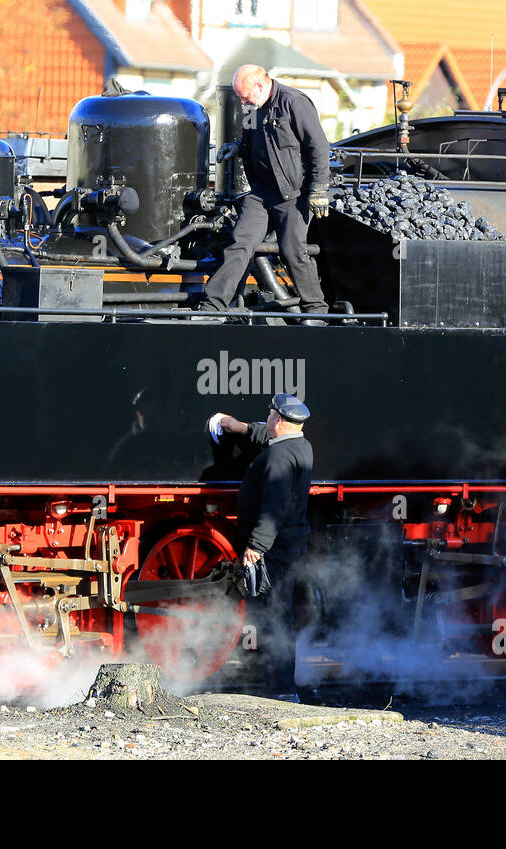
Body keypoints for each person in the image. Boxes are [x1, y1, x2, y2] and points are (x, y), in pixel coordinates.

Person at [198, 65, 332, 320]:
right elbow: (252, 139)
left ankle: (316, 311)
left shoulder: (294, 102)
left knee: (292, 250)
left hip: (294, 193)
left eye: (244, 94)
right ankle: (212, 306)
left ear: (260, 85)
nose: (242, 100)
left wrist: (319, 189)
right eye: (239, 96)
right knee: (240, 242)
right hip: (261, 193)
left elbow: (318, 147)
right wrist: (236, 147)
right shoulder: (252, 108)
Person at [207, 393, 314, 689]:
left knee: (274, 615)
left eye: (269, 415)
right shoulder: (300, 446)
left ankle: (279, 689)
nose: (267, 419)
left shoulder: (278, 458)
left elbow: (274, 507)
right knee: (278, 612)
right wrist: (235, 426)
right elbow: (267, 436)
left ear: (277, 419)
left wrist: (256, 546)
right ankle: (277, 684)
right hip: (290, 544)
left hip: (274, 550)